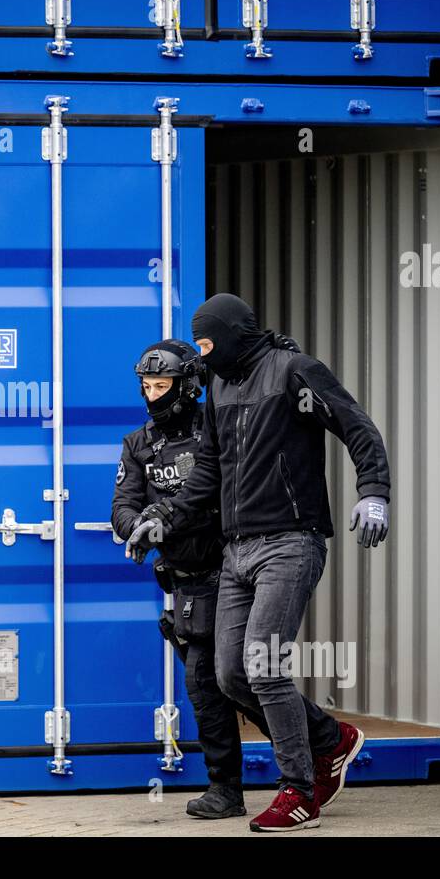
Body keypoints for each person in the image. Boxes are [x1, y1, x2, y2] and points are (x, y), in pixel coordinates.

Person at [129, 294, 390, 832]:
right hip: (236, 549)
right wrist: (166, 519)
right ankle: (330, 740)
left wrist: (373, 492)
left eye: (206, 344)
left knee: (264, 667)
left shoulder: (295, 371)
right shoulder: (220, 387)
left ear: (230, 336)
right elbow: (208, 471)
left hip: (290, 542)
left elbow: (357, 426)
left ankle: (299, 792)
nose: (202, 356)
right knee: (229, 674)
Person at [114, 339, 271, 819]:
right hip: (185, 585)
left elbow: (223, 493)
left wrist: (170, 516)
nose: (152, 395)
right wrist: (141, 525)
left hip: (231, 571)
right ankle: (235, 786)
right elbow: (121, 508)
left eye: (162, 386)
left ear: (186, 387)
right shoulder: (138, 444)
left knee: (232, 679)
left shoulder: (216, 426)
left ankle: (316, 749)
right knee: (212, 683)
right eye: (146, 385)